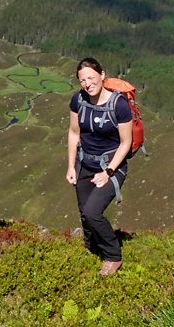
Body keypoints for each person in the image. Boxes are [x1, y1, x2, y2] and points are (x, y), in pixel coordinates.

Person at [65, 57, 133, 277]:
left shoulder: (119, 105)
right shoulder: (78, 101)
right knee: (84, 215)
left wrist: (108, 172)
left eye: (91, 78)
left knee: (93, 212)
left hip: (112, 166)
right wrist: (71, 166)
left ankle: (113, 256)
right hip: (85, 163)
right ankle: (91, 250)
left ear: (102, 75)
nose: (87, 83)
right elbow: (74, 133)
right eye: (82, 80)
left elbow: (126, 143)